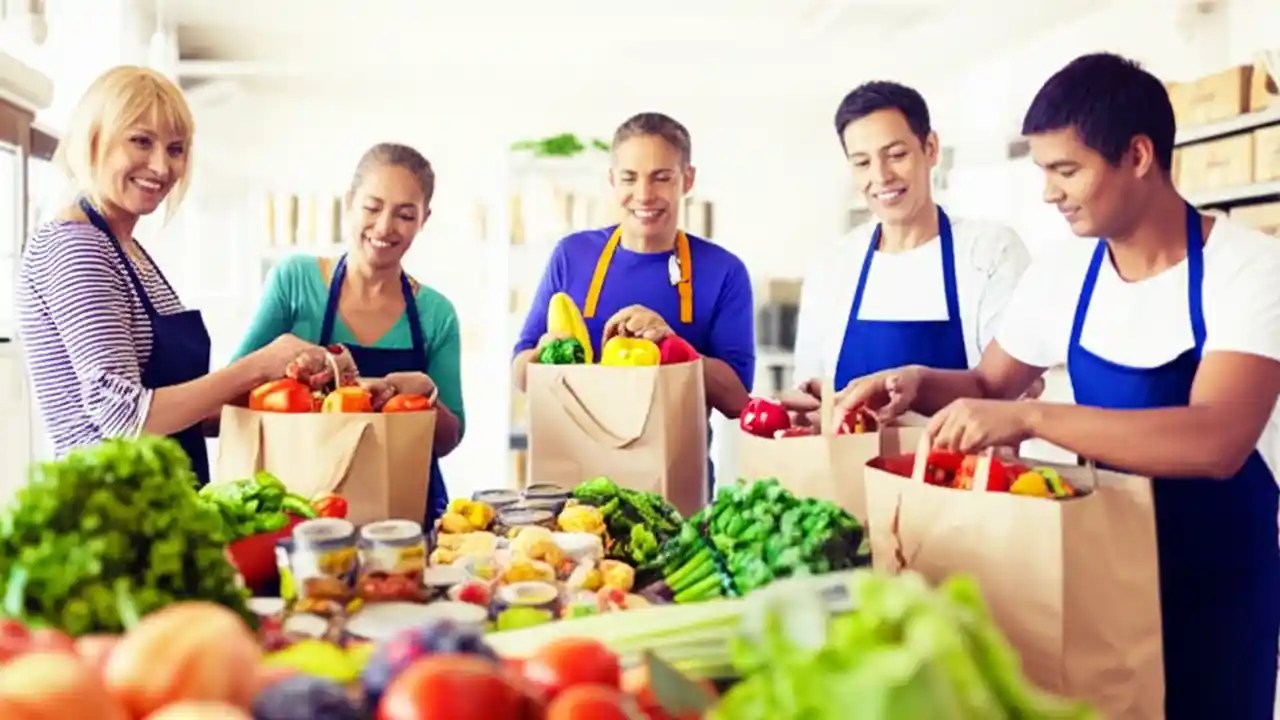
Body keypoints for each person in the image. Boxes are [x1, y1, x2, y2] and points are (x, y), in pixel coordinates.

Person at [834, 53, 1280, 719]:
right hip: (1099, 567)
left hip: (1219, 579)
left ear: (1137, 155)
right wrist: (914, 380)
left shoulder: (1248, 268)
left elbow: (1216, 439)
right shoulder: (1064, 274)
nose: (1049, 192)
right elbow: (990, 381)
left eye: (1066, 169)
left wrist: (1036, 420)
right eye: (1042, 171)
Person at [15, 65, 317, 484]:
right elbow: (125, 419)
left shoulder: (129, 251)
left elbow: (185, 415)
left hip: (165, 505)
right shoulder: (76, 246)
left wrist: (288, 388)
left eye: (176, 149)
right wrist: (259, 366)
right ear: (94, 139)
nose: (161, 166)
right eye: (141, 141)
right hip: (114, 515)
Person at [511, 112, 756, 482]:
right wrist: (547, 352)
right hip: (574, 484)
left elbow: (738, 402)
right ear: (612, 180)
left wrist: (674, 346)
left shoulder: (723, 271)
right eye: (629, 178)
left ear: (686, 180)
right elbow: (521, 374)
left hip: (673, 488)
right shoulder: (572, 256)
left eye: (662, 177)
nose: (644, 195)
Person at [233, 143, 463, 525]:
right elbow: (228, 404)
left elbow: (449, 439)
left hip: (403, 518)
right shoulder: (295, 282)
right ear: (349, 202)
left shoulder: (436, 314)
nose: (385, 227)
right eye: (372, 208)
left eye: (405, 214)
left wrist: (425, 398)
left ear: (424, 220)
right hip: (303, 514)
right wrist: (292, 374)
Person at [785, 81, 1033, 418]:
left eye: (897, 155)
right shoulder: (833, 265)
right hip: (848, 466)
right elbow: (812, 391)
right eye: (862, 163)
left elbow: (1013, 390)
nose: (881, 176)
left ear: (930, 148)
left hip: (959, 467)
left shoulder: (991, 251)